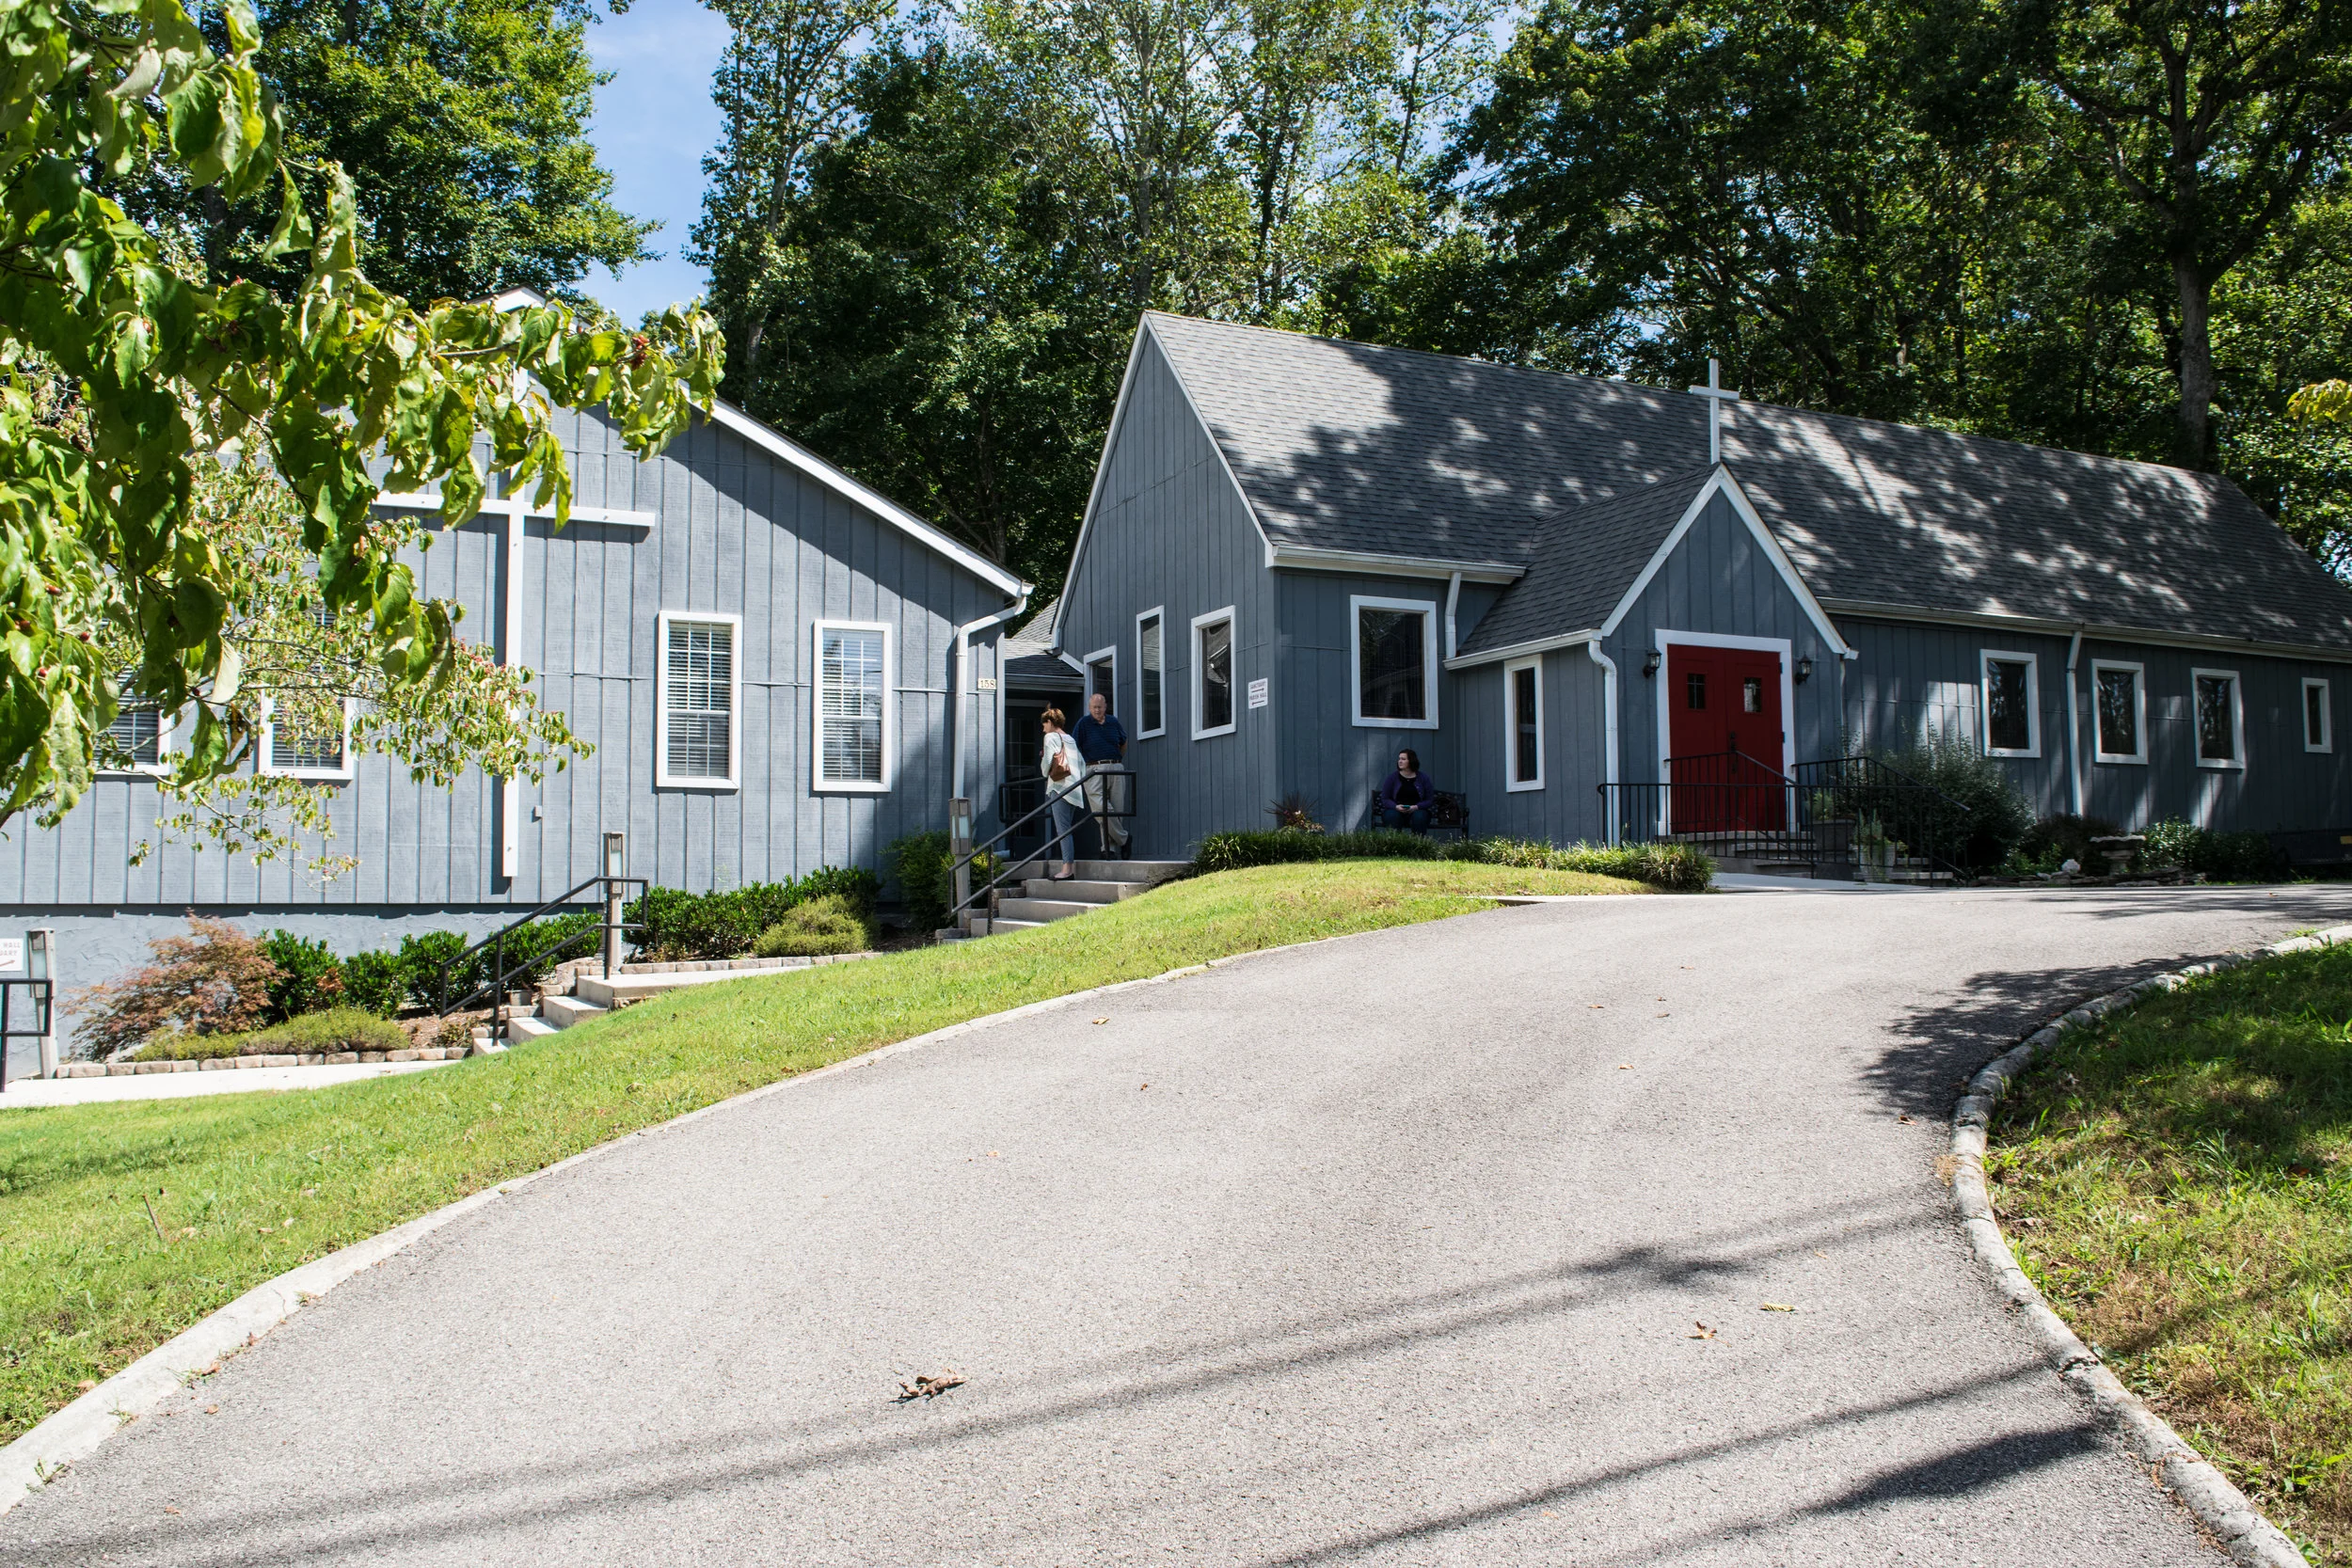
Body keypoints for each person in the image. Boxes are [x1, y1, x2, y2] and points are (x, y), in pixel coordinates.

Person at [1071, 690, 1131, 858]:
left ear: (1105, 707)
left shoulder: (1113, 721)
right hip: (1094, 769)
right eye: (1094, 707)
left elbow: (1123, 742)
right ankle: (1124, 839)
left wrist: (1117, 760)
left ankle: (1108, 850)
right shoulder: (1083, 723)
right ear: (1089, 708)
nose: (1097, 710)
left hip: (1115, 766)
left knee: (1117, 809)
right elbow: (1074, 746)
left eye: (1100, 707)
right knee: (1101, 807)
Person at [1038, 708, 1087, 880]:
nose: (1043, 728)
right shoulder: (1070, 739)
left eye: (1044, 724)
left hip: (1059, 789)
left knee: (1063, 830)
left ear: (1050, 722)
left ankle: (1067, 870)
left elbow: (1047, 762)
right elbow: (1082, 764)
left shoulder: (1050, 737)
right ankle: (1068, 867)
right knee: (1067, 828)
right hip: (1074, 790)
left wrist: (1044, 771)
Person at [1379, 748, 1435, 832]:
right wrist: (1396, 807)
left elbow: (1430, 800)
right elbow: (1385, 799)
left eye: (1403, 759)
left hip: (1417, 810)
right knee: (1391, 816)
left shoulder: (1423, 778)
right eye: (1399, 759)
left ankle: (1417, 840)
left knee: (1420, 817)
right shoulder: (1392, 778)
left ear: (1411, 761)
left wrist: (1416, 807)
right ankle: (1395, 840)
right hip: (1395, 810)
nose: (1400, 761)